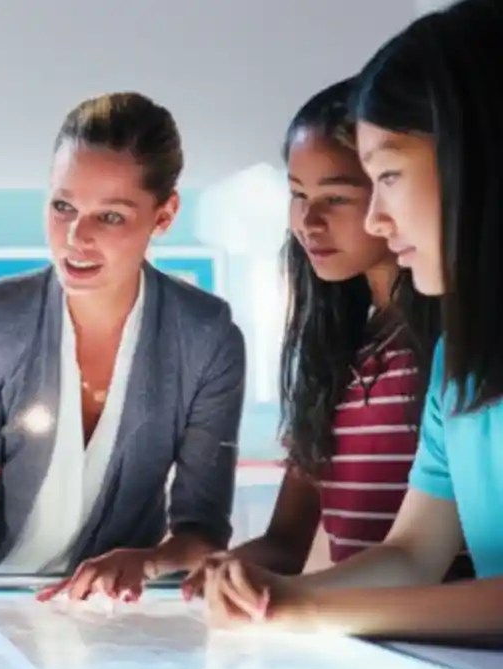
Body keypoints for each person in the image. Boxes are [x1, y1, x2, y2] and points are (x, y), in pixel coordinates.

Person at [198, 0, 503, 637]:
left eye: (387, 177)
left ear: (476, 161)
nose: (375, 220)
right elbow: (415, 551)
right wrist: (278, 594)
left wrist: (309, 608)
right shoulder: (459, 359)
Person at [0, 92, 246, 601]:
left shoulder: (206, 336)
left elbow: (203, 534)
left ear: (164, 216)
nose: (76, 236)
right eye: (63, 206)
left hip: (123, 613)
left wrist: (147, 562)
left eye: (111, 216)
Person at [181, 79, 470, 600]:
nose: (308, 222)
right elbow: (286, 543)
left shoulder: (459, 349)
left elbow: (428, 562)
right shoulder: (333, 353)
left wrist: (304, 605)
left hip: (450, 645)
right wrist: (215, 572)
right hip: (365, 637)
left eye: (336, 197)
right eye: (298, 196)